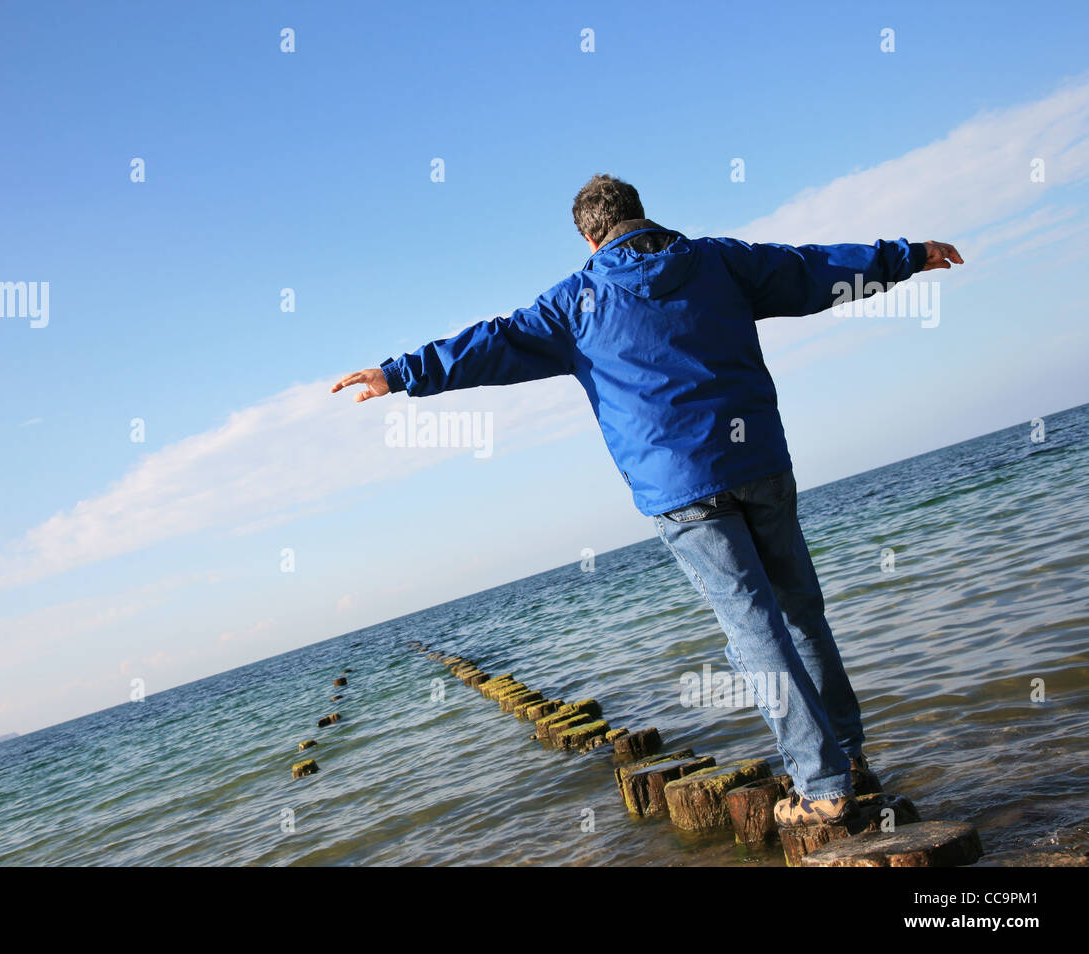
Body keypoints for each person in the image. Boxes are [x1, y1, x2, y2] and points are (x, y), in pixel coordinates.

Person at [331, 173, 963, 827]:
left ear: (588, 235)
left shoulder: (574, 304)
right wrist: (908, 255)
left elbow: (492, 342)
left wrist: (400, 373)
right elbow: (811, 271)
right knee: (801, 613)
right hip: (760, 462)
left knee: (755, 629)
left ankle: (824, 783)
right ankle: (846, 760)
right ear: (639, 213)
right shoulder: (720, 260)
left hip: (682, 490)